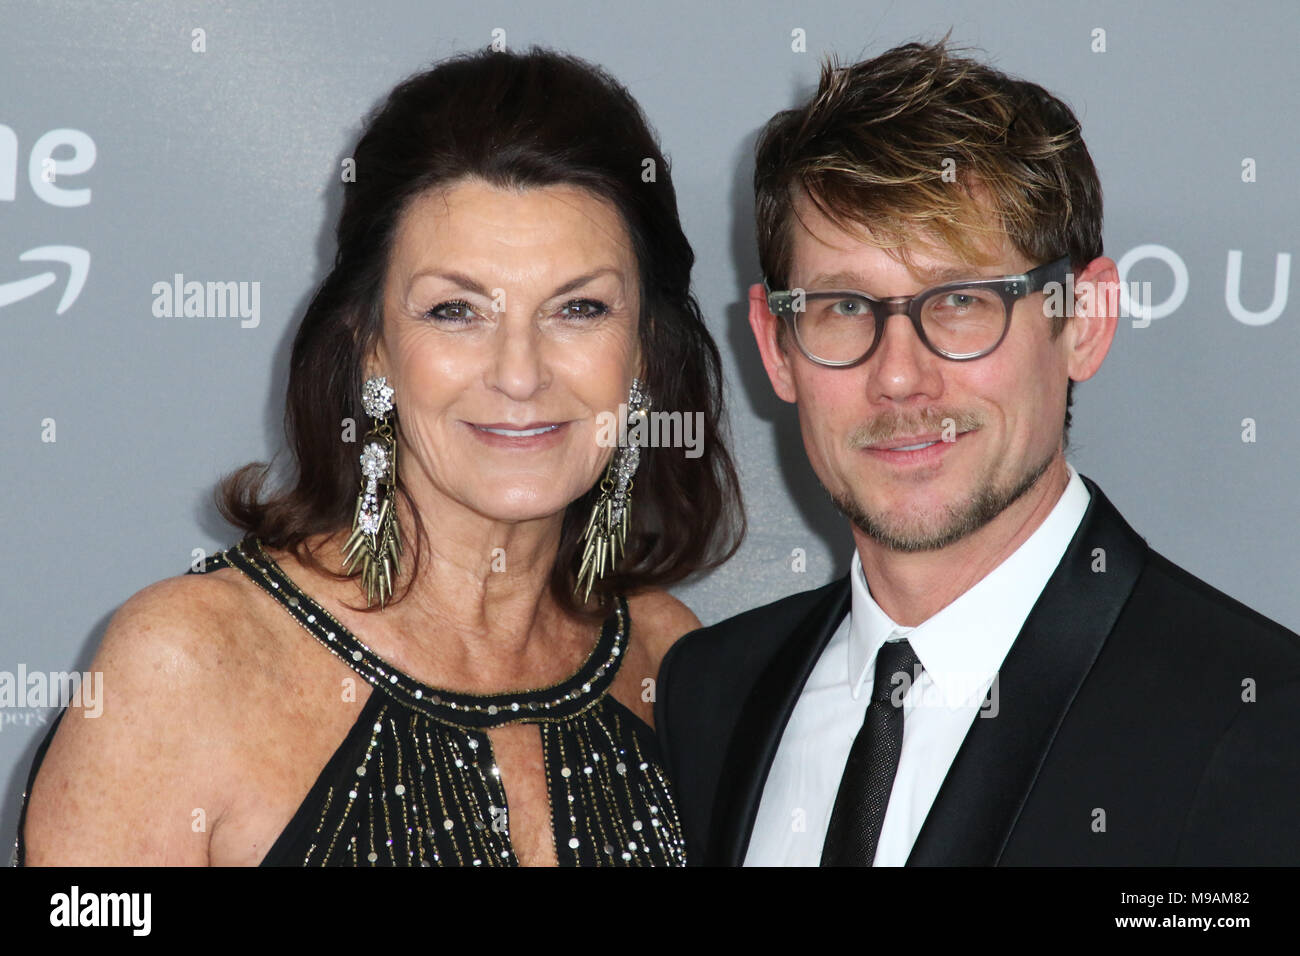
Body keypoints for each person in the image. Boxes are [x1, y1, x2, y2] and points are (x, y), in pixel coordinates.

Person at [17, 47, 743, 866]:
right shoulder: (187, 666)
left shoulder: (669, 661)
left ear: (643, 350)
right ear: (371, 350)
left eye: (578, 308)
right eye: (455, 310)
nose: (519, 373)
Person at [655, 39, 1300, 866]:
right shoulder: (711, 694)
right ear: (776, 348)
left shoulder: (1255, 722)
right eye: (845, 306)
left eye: (961, 300)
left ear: (1086, 320)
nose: (898, 376)